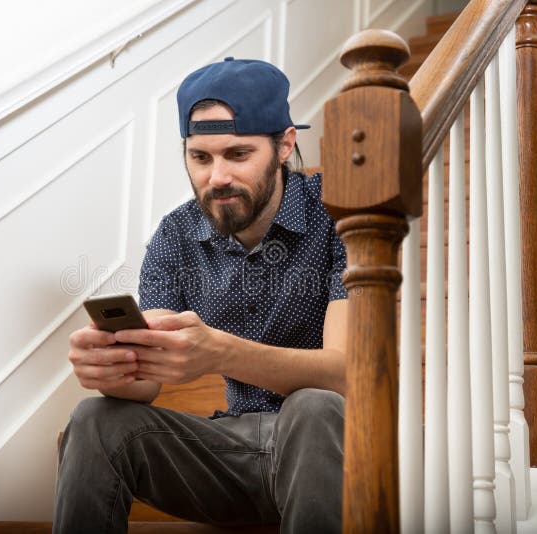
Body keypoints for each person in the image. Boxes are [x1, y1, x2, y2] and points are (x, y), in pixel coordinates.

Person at [54, 57, 348, 533]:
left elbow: (345, 375)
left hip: (330, 446)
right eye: (200, 157)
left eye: (237, 154)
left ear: (285, 144)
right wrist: (111, 369)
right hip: (229, 449)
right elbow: (145, 384)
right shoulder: (175, 235)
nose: (217, 177)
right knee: (93, 418)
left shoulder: (338, 213)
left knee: (313, 406)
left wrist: (220, 353)